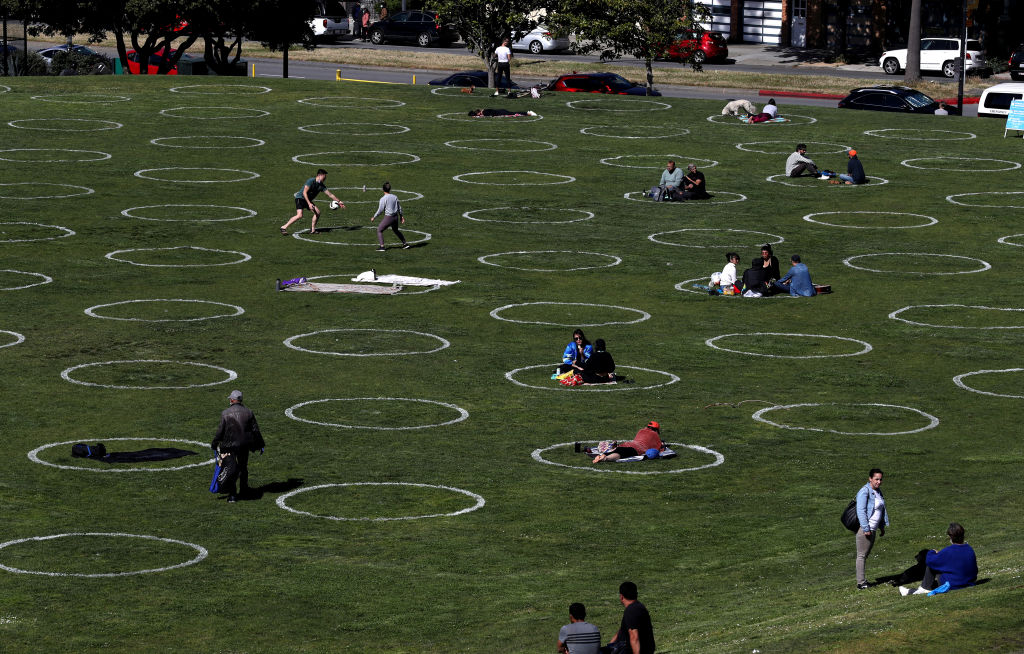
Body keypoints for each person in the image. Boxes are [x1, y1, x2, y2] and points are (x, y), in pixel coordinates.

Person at [211, 390, 265, 503]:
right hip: (244, 444)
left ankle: (232, 495)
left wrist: (215, 443)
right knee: (243, 467)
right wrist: (260, 444)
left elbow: (220, 431)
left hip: (229, 445)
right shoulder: (249, 412)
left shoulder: (225, 413)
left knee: (231, 468)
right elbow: (255, 430)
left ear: (232, 400)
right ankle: (244, 489)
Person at [899, 523, 978, 596]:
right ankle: (925, 587)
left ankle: (923, 588)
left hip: (953, 584)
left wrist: (933, 552)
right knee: (943, 568)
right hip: (969, 581)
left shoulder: (948, 551)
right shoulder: (969, 549)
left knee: (932, 565)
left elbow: (930, 561)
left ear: (950, 537)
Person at [280, 168, 344, 235]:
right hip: (300, 198)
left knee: (317, 213)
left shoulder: (321, 186)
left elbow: (330, 194)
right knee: (299, 215)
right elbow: (304, 192)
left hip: (308, 201)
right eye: (324, 177)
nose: (325, 178)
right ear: (319, 175)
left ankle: (312, 230)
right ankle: (283, 227)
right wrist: (309, 203)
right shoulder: (311, 181)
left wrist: (339, 201)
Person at [854, 468, 889, 589]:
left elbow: (881, 511)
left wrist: (882, 527)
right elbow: (861, 510)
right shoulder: (864, 491)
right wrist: (865, 528)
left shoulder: (878, 492)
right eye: (876, 479)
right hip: (865, 529)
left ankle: (862, 581)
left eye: (880, 479)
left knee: (865, 555)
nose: (879, 482)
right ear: (870, 479)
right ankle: (861, 583)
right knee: (861, 555)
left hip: (873, 529)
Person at [607, 581, 655, 654]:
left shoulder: (631, 611)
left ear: (621, 596)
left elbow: (634, 637)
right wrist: (609, 646)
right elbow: (622, 630)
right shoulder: (639, 607)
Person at [592, 421, 664, 463]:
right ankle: (605, 458)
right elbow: (659, 448)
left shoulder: (641, 430)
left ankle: (603, 455)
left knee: (618, 450)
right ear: (656, 430)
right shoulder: (655, 434)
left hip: (628, 443)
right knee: (621, 454)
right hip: (637, 449)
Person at [370, 181, 408, 251]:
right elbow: (399, 207)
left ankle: (382, 247)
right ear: (389, 189)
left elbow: (380, 210)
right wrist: (401, 216)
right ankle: (405, 244)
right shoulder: (395, 197)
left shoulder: (383, 199)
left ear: (383, 189)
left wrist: (374, 217)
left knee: (379, 230)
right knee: (396, 230)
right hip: (395, 217)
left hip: (389, 218)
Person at [467, 108, 535, 117]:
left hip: (501, 112)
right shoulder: (484, 111)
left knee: (514, 113)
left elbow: (491, 112)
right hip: (501, 111)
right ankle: (527, 112)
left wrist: (492, 115)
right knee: (513, 112)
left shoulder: (484, 112)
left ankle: (528, 113)